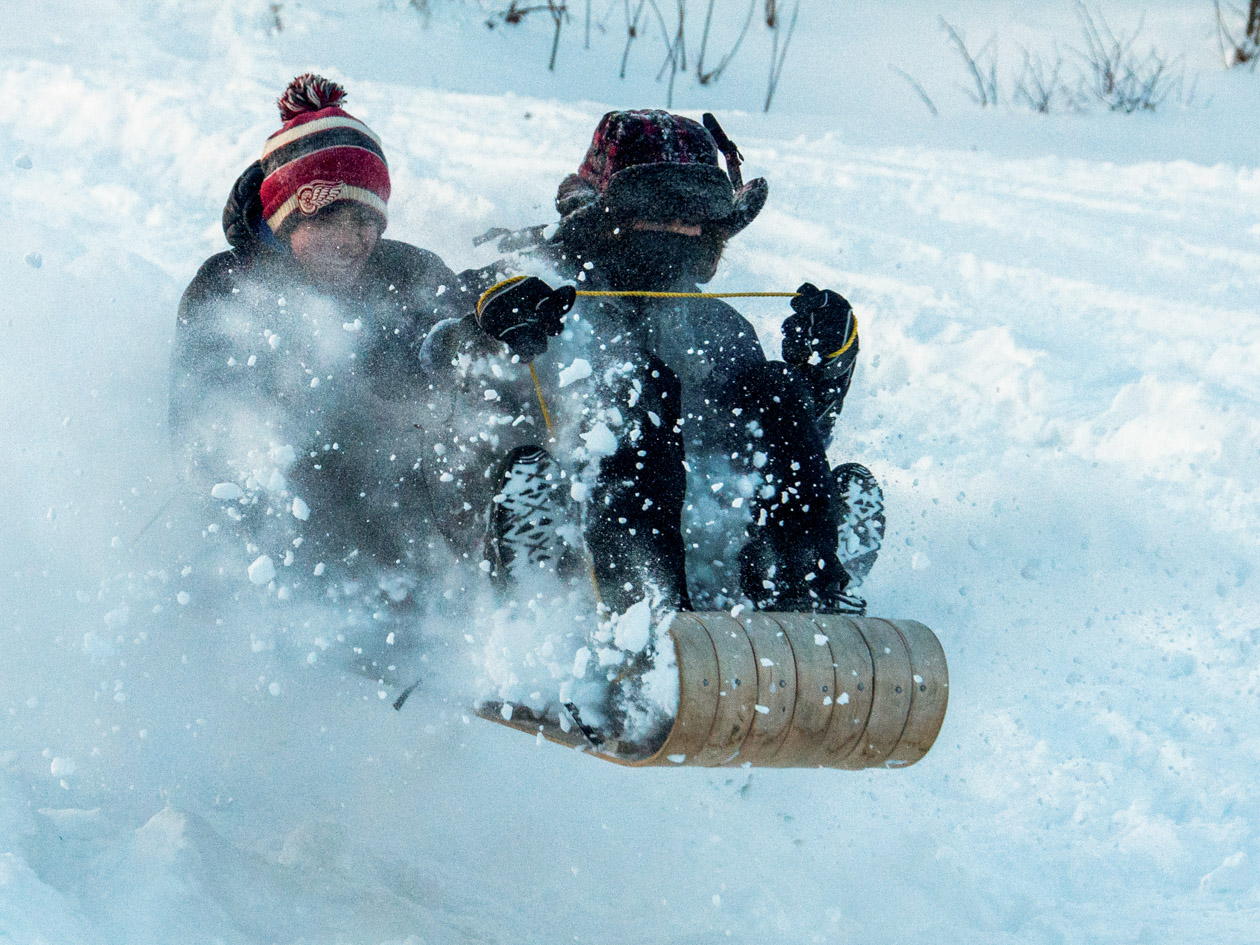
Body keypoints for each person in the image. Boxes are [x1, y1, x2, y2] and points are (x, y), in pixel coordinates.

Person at [420, 109, 878, 615]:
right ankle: (638, 603)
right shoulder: (529, 281)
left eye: (694, 217)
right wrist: (482, 332)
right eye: (662, 210)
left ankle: (801, 580)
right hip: (559, 537)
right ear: (607, 217)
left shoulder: (717, 329)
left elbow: (765, 449)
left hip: (703, 552)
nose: (680, 230)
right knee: (636, 382)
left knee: (768, 386)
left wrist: (820, 373)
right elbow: (418, 355)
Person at [170, 74, 470, 608]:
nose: (359, 239)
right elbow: (204, 432)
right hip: (289, 525)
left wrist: (493, 324)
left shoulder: (407, 270)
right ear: (291, 218)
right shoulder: (228, 289)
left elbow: (455, 331)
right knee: (328, 447)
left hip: (414, 495)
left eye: (369, 219)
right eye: (336, 216)